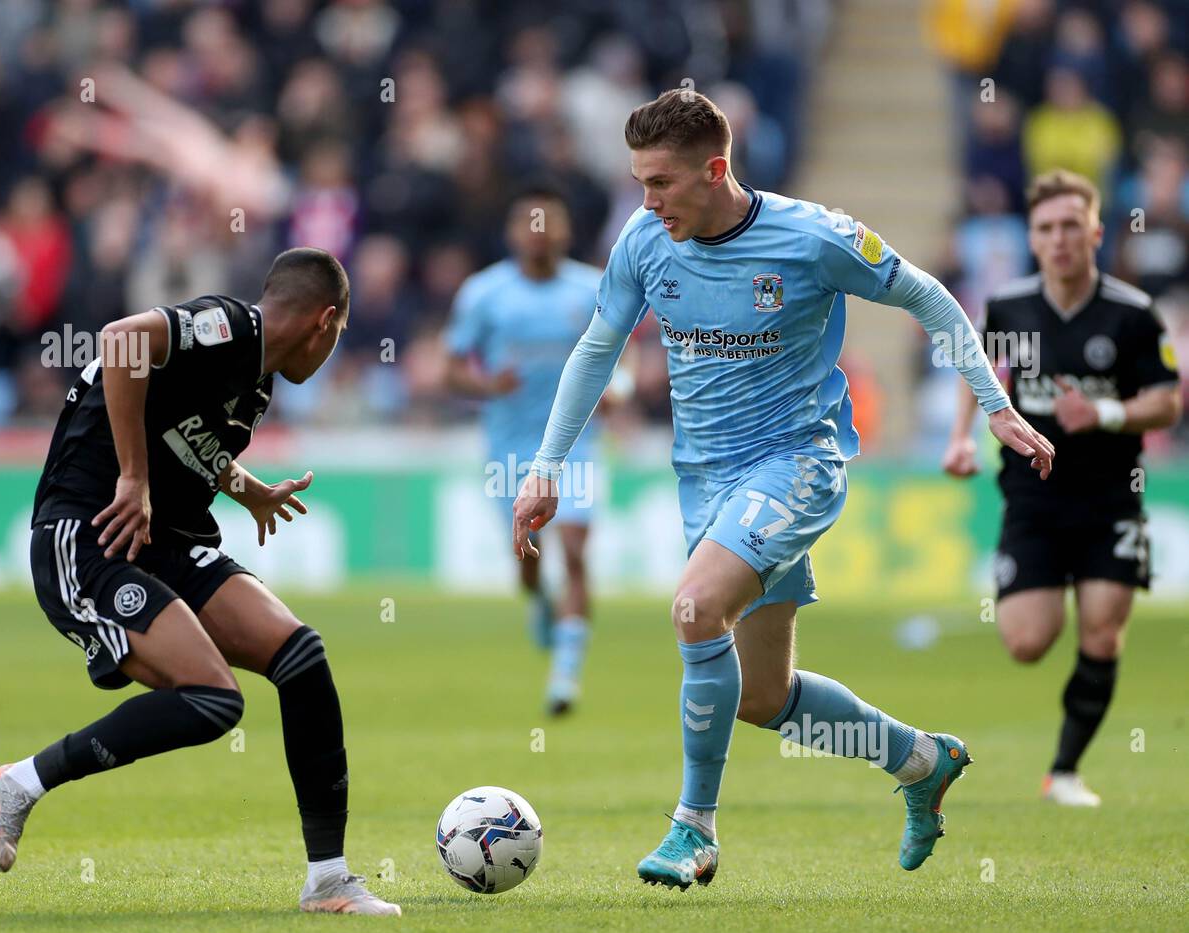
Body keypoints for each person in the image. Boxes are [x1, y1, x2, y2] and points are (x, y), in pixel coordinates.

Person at [513, 89, 1055, 888]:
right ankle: (921, 760)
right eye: (639, 182)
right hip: (704, 476)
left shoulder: (812, 237)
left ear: (716, 169)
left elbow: (929, 297)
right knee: (761, 696)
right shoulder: (643, 240)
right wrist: (546, 463)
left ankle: (693, 828)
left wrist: (993, 402)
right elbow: (598, 348)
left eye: (661, 182)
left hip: (796, 460)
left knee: (695, 607)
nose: (647, 200)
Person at [0, 248, 401, 916]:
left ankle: (328, 879)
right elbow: (121, 343)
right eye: (339, 336)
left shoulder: (256, 383)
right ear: (324, 321)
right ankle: (20, 782)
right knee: (211, 699)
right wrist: (134, 476)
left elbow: (181, 423)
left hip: (165, 542)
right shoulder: (229, 327)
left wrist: (244, 486)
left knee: (302, 657)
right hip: (91, 536)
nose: (330, 351)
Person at [944, 169, 1181, 807]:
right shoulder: (1009, 307)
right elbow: (980, 374)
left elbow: (1166, 403)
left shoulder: (1133, 314)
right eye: (1046, 228)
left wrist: (1104, 415)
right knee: (1026, 642)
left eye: (1071, 225)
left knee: (1102, 632)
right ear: (1032, 237)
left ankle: (1065, 771)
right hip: (1034, 498)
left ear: (1097, 232)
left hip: (1110, 498)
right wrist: (962, 437)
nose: (1059, 239)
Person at [444, 186, 603, 715]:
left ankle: (565, 677)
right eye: (529, 224)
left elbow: (620, 359)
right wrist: (489, 387)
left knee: (576, 551)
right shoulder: (484, 294)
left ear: (565, 231)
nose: (539, 233)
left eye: (549, 223)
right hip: (509, 450)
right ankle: (538, 601)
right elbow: (450, 368)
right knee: (530, 560)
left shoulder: (591, 289)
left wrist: (621, 387)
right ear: (513, 233)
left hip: (573, 446)